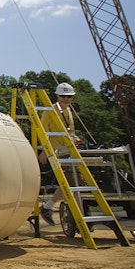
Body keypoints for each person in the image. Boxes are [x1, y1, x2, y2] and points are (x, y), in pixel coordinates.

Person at [38, 82, 78, 225]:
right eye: (63, 96)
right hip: (58, 152)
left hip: (70, 150)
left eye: (69, 96)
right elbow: (42, 131)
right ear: (57, 96)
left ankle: (55, 208)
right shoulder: (49, 111)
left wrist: (76, 139)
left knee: (74, 183)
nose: (66, 99)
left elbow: (70, 131)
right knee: (69, 182)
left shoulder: (69, 111)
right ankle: (50, 207)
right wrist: (44, 150)